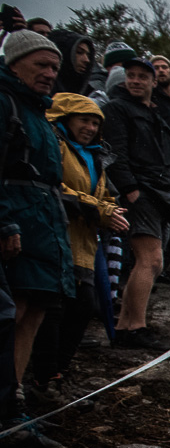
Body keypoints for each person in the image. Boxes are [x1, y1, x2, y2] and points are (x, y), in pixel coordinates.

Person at [0, 31, 73, 430]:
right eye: (40, 65)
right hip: (17, 218)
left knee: (38, 308)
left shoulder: (41, 113)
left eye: (54, 68)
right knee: (16, 308)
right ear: (14, 63)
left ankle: (14, 403)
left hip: (45, 221)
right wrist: (5, 221)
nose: (49, 74)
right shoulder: (5, 102)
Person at [40, 93, 125, 397]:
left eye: (94, 122)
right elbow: (54, 185)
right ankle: (45, 376)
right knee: (55, 310)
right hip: (58, 238)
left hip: (86, 244)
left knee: (82, 308)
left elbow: (107, 195)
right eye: (83, 120)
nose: (89, 127)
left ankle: (59, 373)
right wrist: (100, 209)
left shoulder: (94, 155)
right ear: (66, 120)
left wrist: (111, 209)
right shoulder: (57, 146)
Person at [100, 56, 170, 349]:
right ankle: (136, 327)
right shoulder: (117, 109)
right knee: (150, 259)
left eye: (141, 77)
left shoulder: (153, 114)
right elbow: (114, 152)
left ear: (153, 82)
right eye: (130, 76)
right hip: (140, 192)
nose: (134, 81)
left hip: (160, 193)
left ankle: (124, 326)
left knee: (151, 264)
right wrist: (131, 190)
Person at [46, 31, 94, 95]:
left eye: (88, 55)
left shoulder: (90, 93)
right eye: (79, 52)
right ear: (64, 53)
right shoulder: (43, 90)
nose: (87, 60)